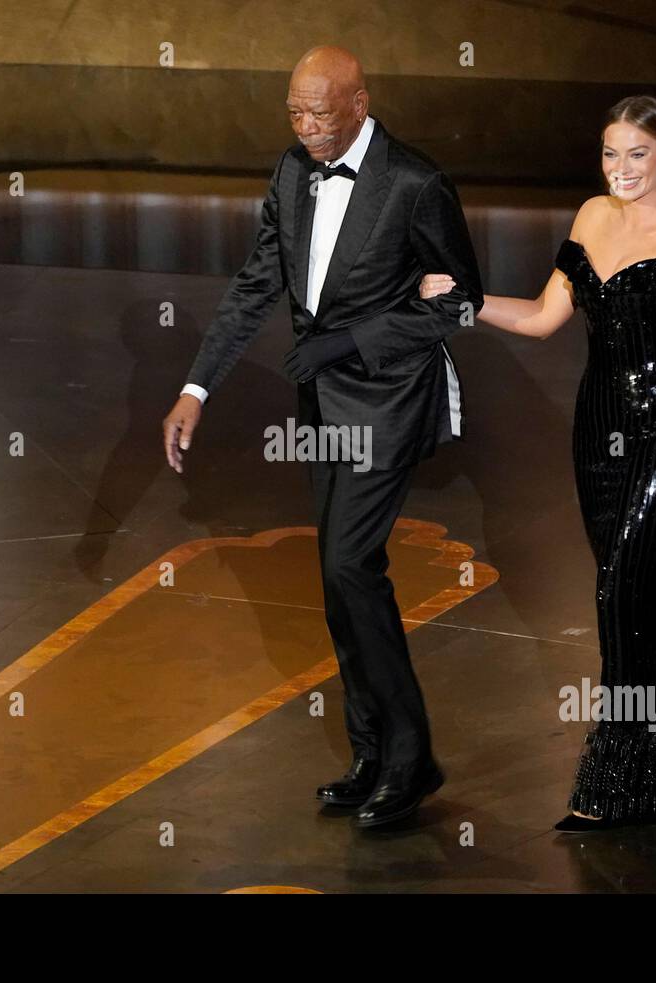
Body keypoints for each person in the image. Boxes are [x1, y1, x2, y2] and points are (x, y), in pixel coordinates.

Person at [419, 95, 656, 831]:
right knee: (647, 590)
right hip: (597, 429)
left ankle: (618, 777)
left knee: (618, 589)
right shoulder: (590, 217)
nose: (622, 170)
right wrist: (466, 300)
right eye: (610, 154)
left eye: (637, 155)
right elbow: (547, 318)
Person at [161, 45, 484, 828]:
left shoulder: (414, 183)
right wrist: (196, 387)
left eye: (321, 113)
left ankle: (412, 760)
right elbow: (255, 283)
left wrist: (348, 342)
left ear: (360, 104)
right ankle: (370, 752)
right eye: (295, 113)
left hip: (386, 400)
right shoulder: (290, 171)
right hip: (322, 408)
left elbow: (461, 301)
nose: (306, 128)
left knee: (349, 563)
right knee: (339, 576)